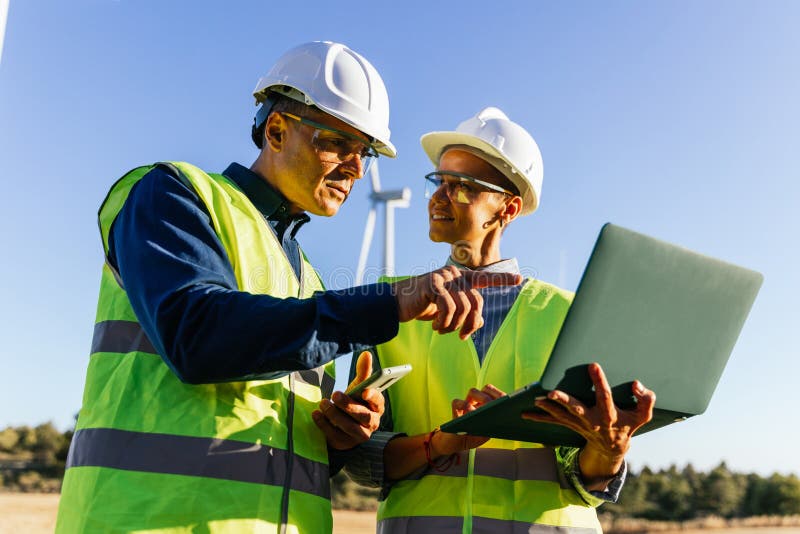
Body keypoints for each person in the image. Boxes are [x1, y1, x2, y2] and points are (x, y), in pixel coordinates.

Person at [55, 43, 520, 533]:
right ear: (276, 130)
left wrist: (338, 437)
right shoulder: (174, 195)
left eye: (364, 153)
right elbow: (197, 337)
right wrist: (391, 301)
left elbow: (276, 439)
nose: (357, 170)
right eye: (339, 143)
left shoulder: (308, 279)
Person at [346, 107, 656, 533]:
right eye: (438, 182)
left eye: (461, 187)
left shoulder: (570, 314)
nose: (439, 196)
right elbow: (363, 460)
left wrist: (610, 451)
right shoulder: (390, 304)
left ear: (507, 208)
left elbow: (586, 476)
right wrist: (440, 443)